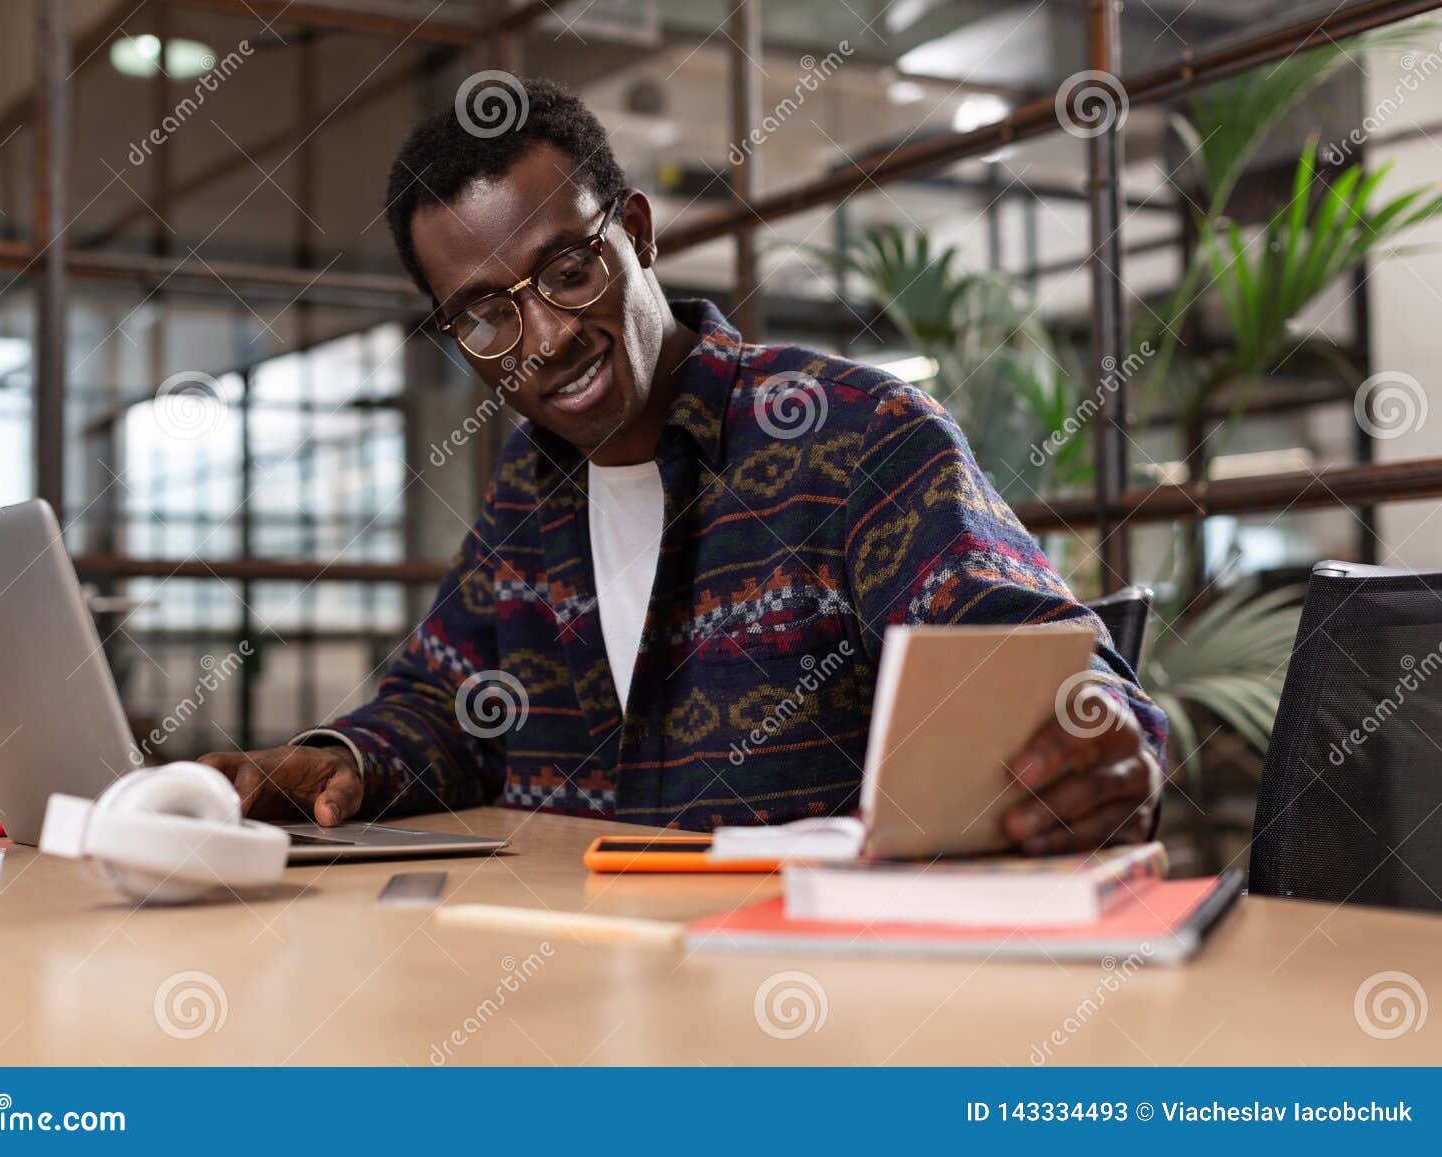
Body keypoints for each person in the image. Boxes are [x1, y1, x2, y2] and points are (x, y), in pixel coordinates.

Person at [200, 77, 1165, 853]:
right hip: (582, 994)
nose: (546, 338)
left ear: (640, 233)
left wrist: (1106, 732)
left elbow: (1017, 656)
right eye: (488, 315)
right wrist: (341, 762)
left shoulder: (855, 436)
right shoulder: (529, 497)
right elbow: (449, 708)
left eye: (571, 269)